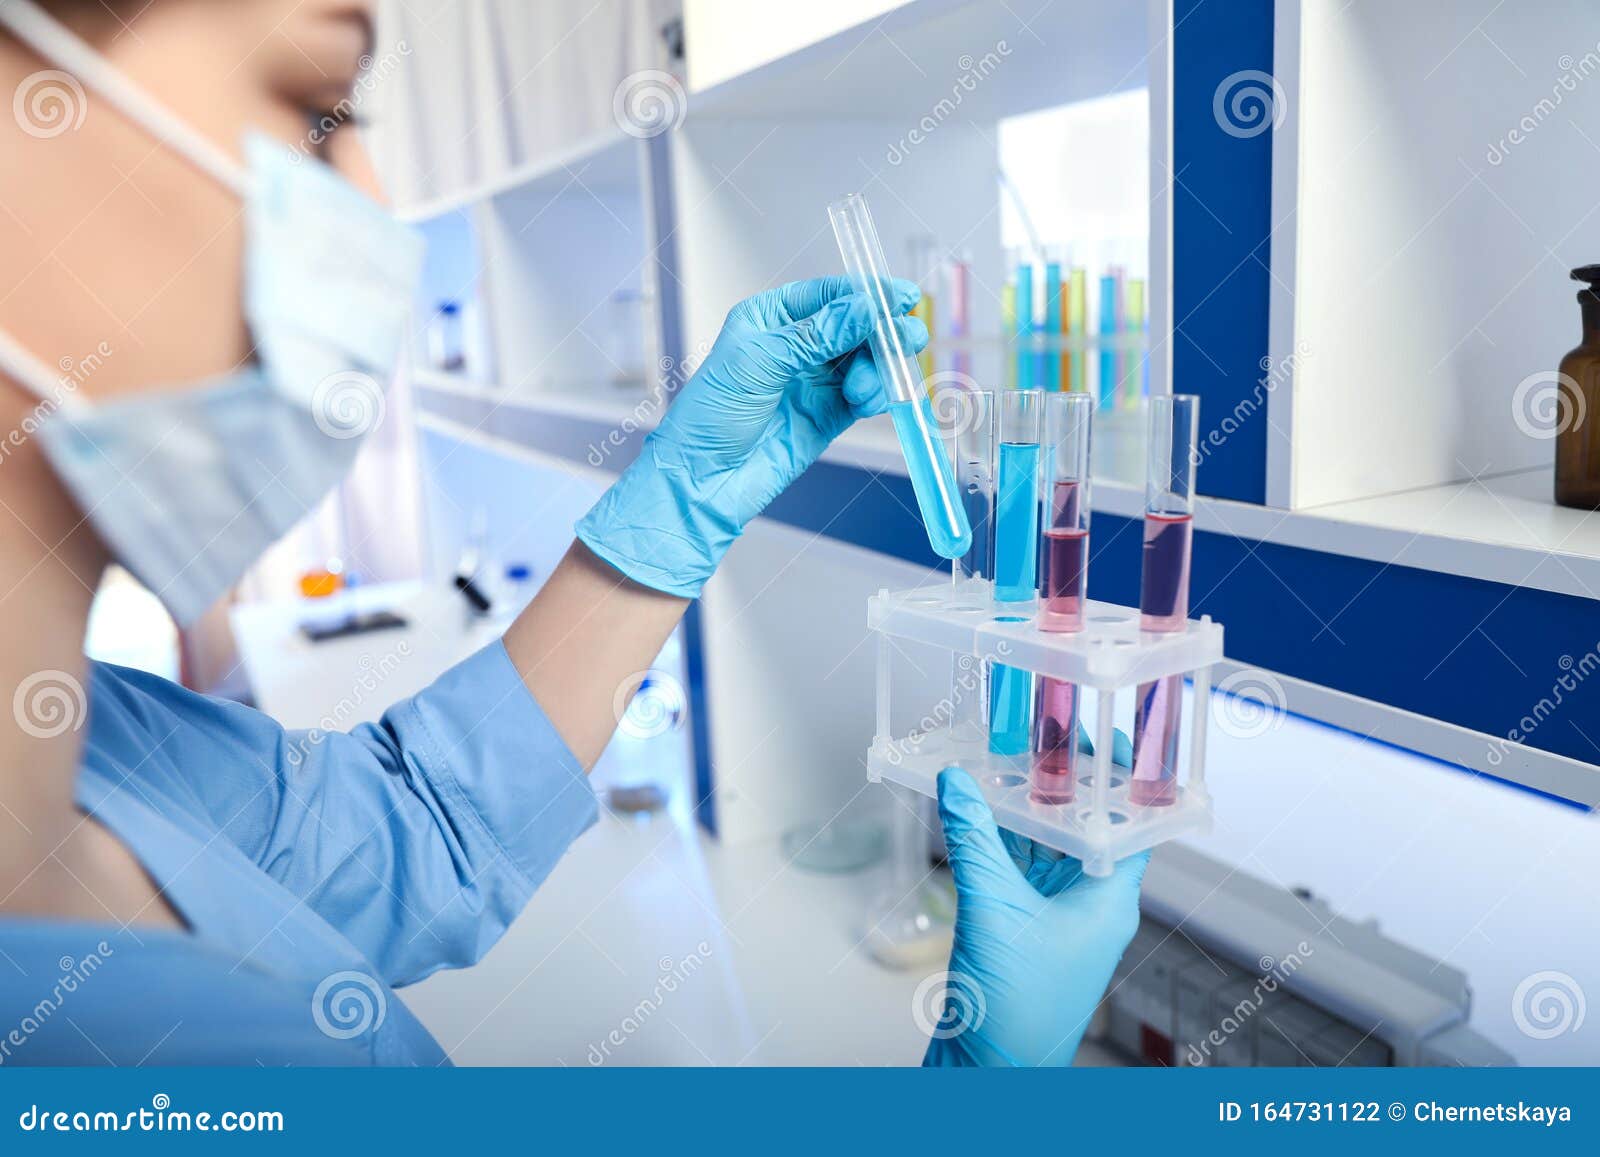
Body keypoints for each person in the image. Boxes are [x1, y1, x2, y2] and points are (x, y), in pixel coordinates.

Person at [0, 0, 1145, 1066]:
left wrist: (676, 508)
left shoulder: (93, 748)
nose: (373, 205)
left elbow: (409, 837)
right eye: (317, 108)